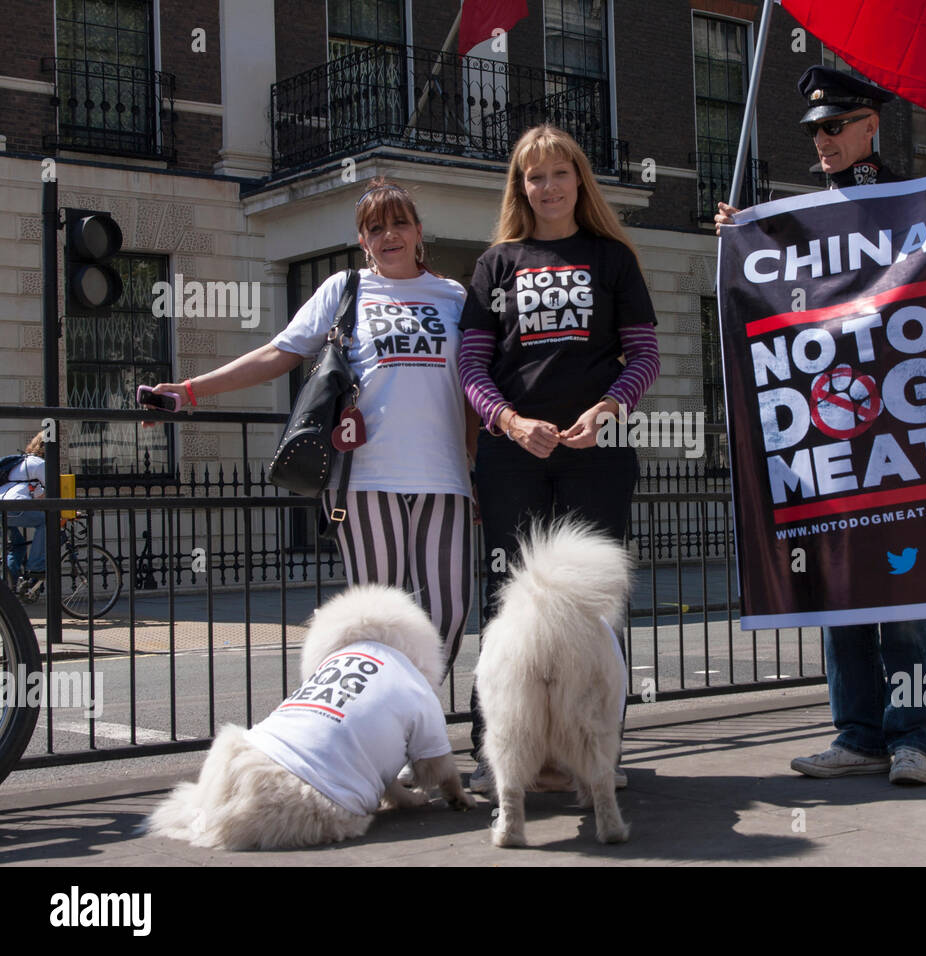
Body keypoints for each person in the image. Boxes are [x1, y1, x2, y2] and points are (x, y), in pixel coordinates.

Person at [716, 66, 926, 786]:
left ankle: (911, 741)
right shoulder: (806, 216)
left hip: (895, 444)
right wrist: (736, 237)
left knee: (903, 607)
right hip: (836, 447)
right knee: (842, 600)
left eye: (835, 125)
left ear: (872, 123)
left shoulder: (923, 203)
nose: (823, 139)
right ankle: (857, 736)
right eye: (815, 129)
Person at [151, 179, 475, 664]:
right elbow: (279, 353)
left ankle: (415, 718)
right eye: (376, 228)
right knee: (378, 621)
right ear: (363, 241)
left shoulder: (452, 296)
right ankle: (388, 730)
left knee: (447, 614)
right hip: (365, 479)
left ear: (418, 231)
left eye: (399, 223)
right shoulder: (346, 290)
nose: (390, 235)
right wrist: (193, 389)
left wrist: (476, 459)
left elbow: (475, 383)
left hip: (446, 477)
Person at [458, 124, 660, 792]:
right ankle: (505, 755)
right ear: (521, 187)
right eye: (533, 176)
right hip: (511, 458)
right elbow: (471, 364)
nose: (546, 187)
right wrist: (509, 422)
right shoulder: (495, 263)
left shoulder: (613, 258)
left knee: (591, 608)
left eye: (558, 173)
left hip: (596, 456)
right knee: (513, 605)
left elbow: (645, 355)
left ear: (580, 180)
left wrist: (606, 410)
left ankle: (593, 755)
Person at [2, 433, 48, 600]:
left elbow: (36, 493)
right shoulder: (40, 464)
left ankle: (10, 586)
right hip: (15, 507)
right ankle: (36, 568)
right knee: (46, 522)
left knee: (17, 545)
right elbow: (54, 493)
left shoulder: (19, 461)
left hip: (2, 507)